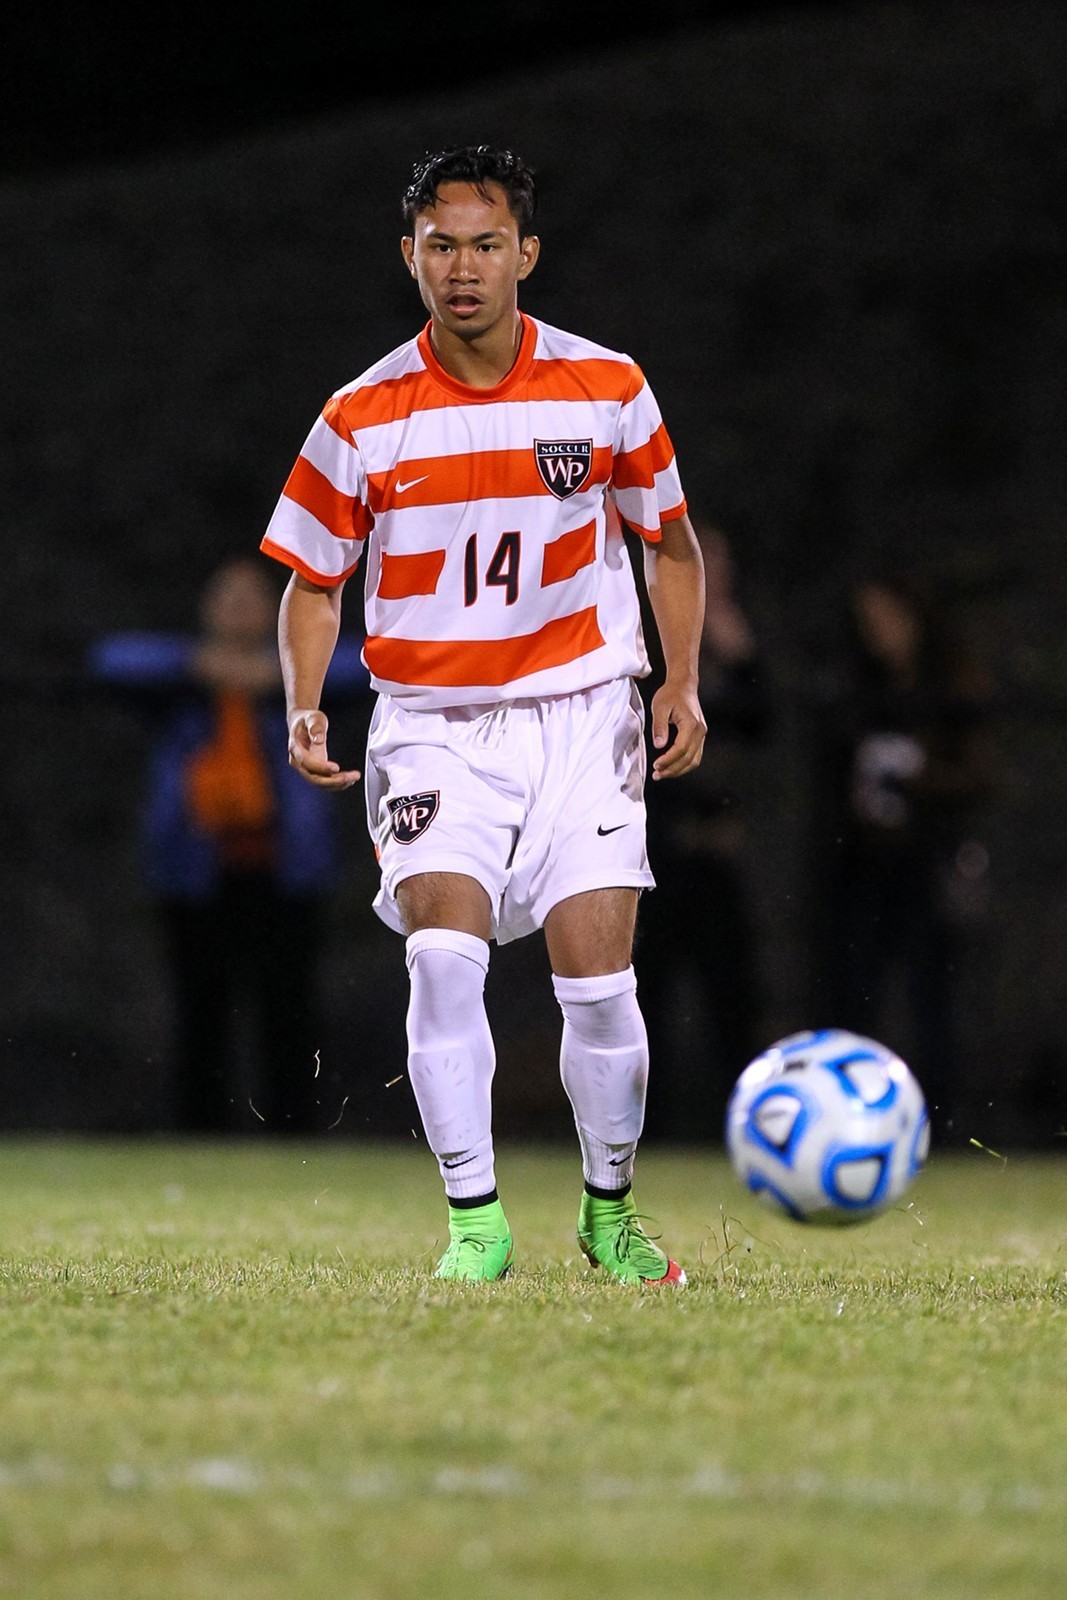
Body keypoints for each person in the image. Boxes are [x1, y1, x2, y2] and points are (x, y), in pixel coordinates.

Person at [260, 144, 706, 1283]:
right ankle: (475, 1225)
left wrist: (678, 677)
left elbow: (671, 543)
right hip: (432, 725)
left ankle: (608, 1212)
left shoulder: (605, 386)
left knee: (598, 988)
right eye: (441, 245)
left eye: (486, 244)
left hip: (580, 714)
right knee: (442, 961)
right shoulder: (362, 413)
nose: (464, 268)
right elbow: (315, 581)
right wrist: (305, 704)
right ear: (409, 257)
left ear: (526, 255)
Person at [90, 556, 369, 1133]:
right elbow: (111, 659)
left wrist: (279, 677)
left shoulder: (295, 679)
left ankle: (293, 1134)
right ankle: (201, 1134)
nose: (240, 609)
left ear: (275, 611)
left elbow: (364, 664)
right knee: (200, 1008)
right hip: (198, 867)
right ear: (207, 609)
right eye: (228, 598)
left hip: (284, 867)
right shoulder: (184, 680)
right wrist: (201, 666)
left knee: (288, 1009)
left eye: (253, 598)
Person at [807, 568, 991, 1137]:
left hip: (928, 863)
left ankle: (940, 1123)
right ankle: (847, 1117)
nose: (877, 631)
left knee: (931, 997)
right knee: (855, 992)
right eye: (868, 621)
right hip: (865, 865)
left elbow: (981, 773)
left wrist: (920, 779)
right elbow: (830, 781)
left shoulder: (951, 684)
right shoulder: (858, 687)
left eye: (886, 617)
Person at [638, 521, 771, 1139]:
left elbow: (764, 727)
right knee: (646, 996)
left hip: (719, 854)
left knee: (732, 998)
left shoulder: (737, 647)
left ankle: (747, 1126)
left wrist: (738, 652)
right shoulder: (645, 639)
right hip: (658, 852)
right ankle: (645, 1129)